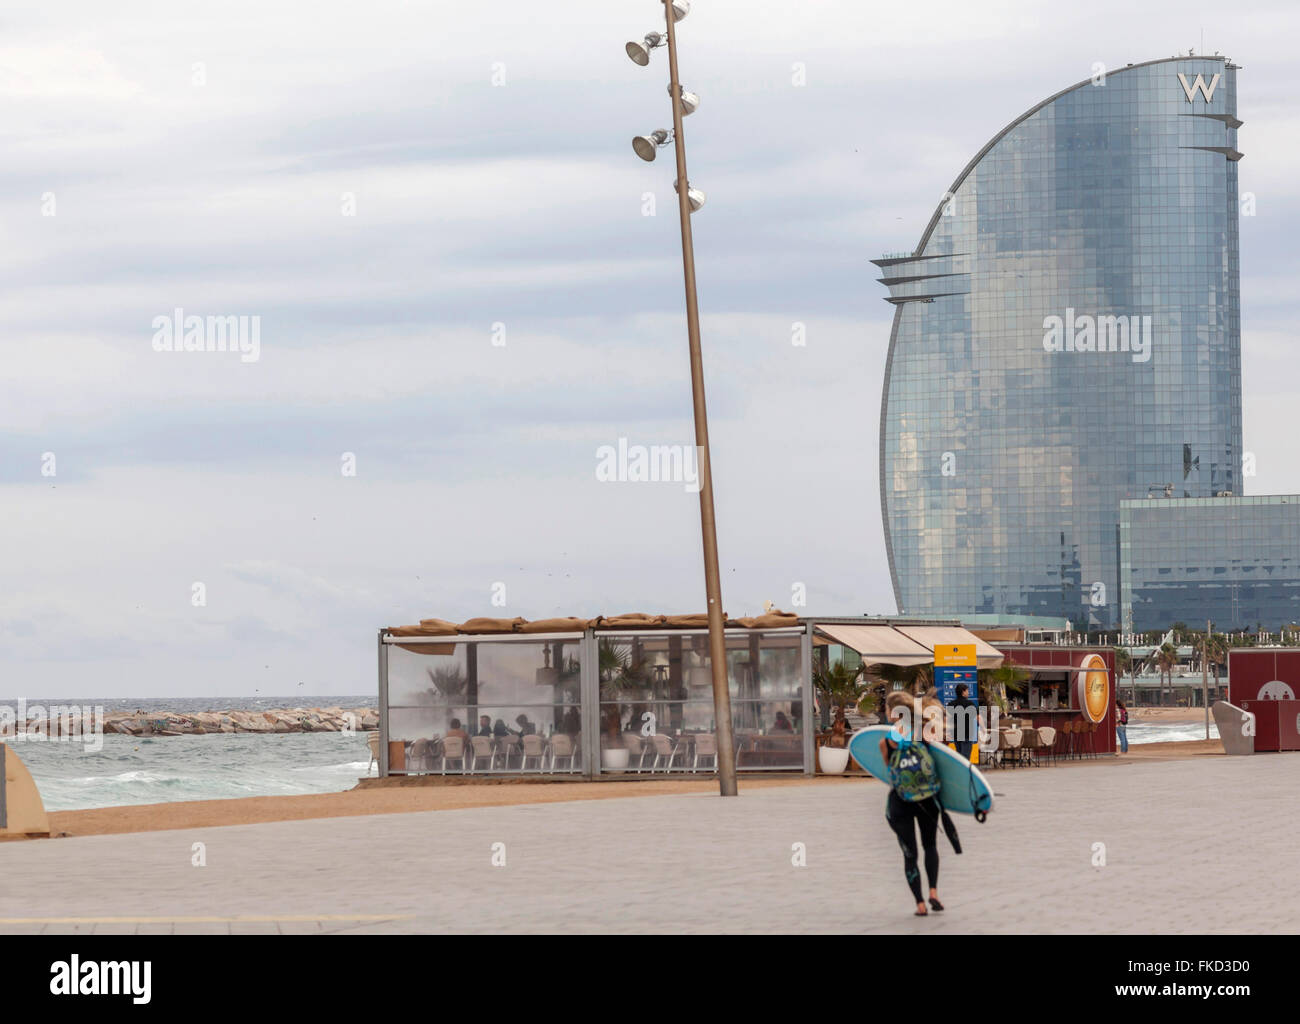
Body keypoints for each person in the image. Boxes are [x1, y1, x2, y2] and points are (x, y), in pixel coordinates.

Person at [878, 692, 946, 916]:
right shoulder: (925, 730)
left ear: (892, 712)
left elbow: (890, 772)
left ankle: (920, 904)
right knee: (930, 846)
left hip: (902, 801)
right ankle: (934, 892)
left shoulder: (886, 740)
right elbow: (941, 759)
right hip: (927, 798)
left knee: (910, 855)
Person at [949, 683, 977, 762]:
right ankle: (965, 773)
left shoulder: (951, 704)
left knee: (959, 756)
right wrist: (984, 728)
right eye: (967, 691)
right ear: (963, 692)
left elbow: (946, 719)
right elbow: (978, 717)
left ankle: (959, 772)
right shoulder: (969, 704)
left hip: (956, 734)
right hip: (967, 734)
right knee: (965, 757)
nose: (968, 692)